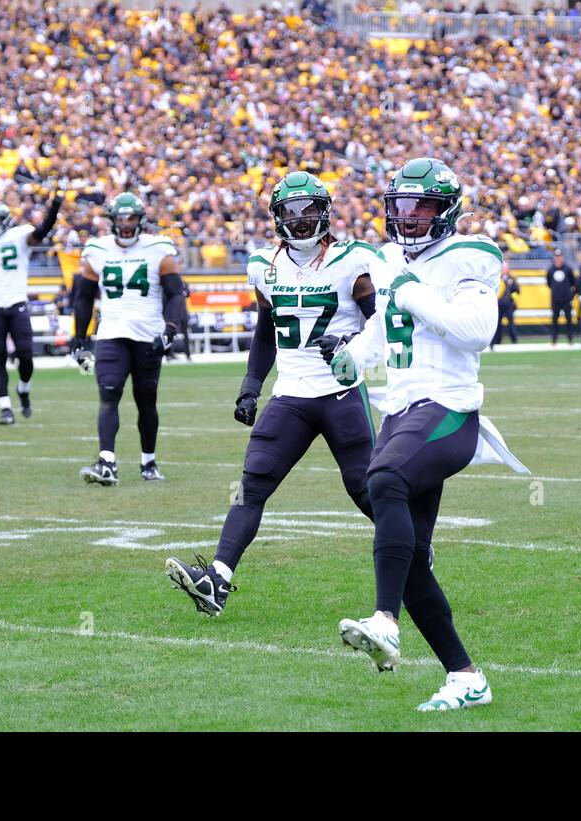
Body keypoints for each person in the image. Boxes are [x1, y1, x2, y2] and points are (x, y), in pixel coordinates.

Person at [329, 157, 503, 711]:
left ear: (446, 210)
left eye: (422, 206)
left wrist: (411, 294)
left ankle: (385, 621)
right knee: (408, 557)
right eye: (401, 205)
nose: (408, 217)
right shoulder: (385, 261)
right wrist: (354, 356)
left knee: (382, 481)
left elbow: (477, 332)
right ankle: (465, 677)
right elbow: (383, 325)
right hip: (401, 410)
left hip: (449, 407)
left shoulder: (467, 256)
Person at [164, 172, 379, 615]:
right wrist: (250, 388)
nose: (301, 222)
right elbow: (266, 332)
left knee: (363, 487)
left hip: (341, 390)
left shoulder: (354, 260)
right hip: (291, 393)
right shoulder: (265, 265)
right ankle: (217, 579)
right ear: (277, 218)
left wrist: (350, 348)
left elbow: (382, 326)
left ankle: (414, 547)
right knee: (253, 482)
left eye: (310, 211)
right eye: (291, 213)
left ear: (326, 212)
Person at [70, 193, 184, 485]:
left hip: (148, 334)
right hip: (111, 333)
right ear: (111, 221)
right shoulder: (96, 250)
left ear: (140, 220)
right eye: (120, 219)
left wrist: (170, 330)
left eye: (131, 218)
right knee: (109, 394)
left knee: (146, 401)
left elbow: (175, 294)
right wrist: (79, 337)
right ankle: (106, 462)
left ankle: (149, 463)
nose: (125, 224)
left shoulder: (159, 248)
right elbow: (83, 298)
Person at [0, 195, 63, 425]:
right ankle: (5, 408)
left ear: (6, 220)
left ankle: (23, 388)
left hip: (17, 303)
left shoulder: (20, 235)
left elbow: (42, 231)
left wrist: (54, 209)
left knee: (26, 355)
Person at [546, 249, 576, 345]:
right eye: (556, 257)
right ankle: (554, 339)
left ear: (562, 258)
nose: (558, 259)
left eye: (559, 257)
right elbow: (549, 283)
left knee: (569, 319)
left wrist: (570, 295)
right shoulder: (550, 270)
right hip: (555, 299)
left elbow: (573, 282)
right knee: (555, 319)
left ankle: (570, 338)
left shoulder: (568, 269)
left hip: (566, 299)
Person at [493, 262, 520, 346]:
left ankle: (514, 341)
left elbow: (517, 290)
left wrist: (513, 297)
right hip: (499, 305)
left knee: (511, 324)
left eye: (505, 268)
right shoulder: (496, 279)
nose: (504, 270)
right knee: (497, 325)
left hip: (509, 305)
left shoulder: (511, 279)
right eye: (503, 268)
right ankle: (496, 342)